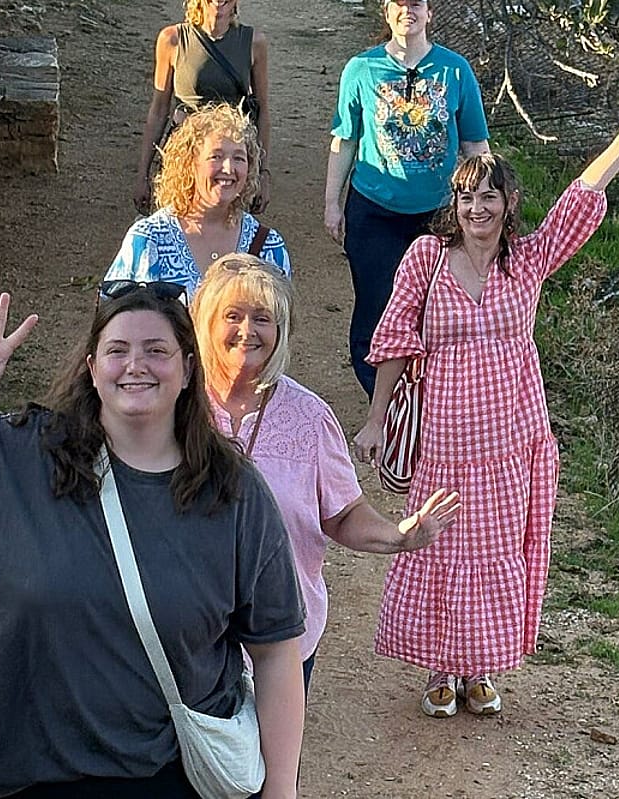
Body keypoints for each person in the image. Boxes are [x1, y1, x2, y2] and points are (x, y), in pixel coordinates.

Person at [0, 288, 305, 797]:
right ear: (93, 369)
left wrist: (281, 790)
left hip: (163, 776)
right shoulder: (21, 453)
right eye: (118, 351)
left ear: (186, 369)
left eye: (156, 350)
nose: (135, 364)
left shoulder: (233, 493)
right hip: (15, 772)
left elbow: (275, 653)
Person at [353, 101, 619, 717]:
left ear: (507, 205)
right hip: (444, 437)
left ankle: (478, 669)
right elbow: (395, 337)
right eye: (468, 198)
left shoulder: (527, 259)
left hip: (512, 436)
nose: (478, 209)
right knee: (440, 544)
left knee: (497, 547)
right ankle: (439, 669)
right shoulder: (425, 257)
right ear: (455, 205)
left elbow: (582, 196)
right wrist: (374, 418)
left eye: (490, 198)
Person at [190, 253, 461, 699]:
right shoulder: (176, 409)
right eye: (232, 315)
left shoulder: (309, 417)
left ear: (281, 332)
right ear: (205, 323)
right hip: (187, 635)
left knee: (273, 768)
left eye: (263, 318)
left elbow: (342, 514)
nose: (247, 331)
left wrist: (400, 536)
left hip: (279, 637)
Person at [324, 0, 490, 398]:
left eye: (416, 4)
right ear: (386, 12)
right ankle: (383, 400)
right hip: (373, 211)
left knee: (434, 310)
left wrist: (489, 204)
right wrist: (332, 202)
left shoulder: (455, 70)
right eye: (399, 4)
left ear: (429, 13)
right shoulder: (361, 69)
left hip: (436, 216)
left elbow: (475, 145)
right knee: (377, 305)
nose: (407, 11)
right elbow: (345, 139)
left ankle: (428, 395)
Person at [110, 103, 290, 300]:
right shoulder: (148, 240)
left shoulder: (269, 247)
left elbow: (281, 325)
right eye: (216, 156)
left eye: (239, 158)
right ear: (189, 164)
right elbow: (113, 318)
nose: (229, 169)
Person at [134, 0, 272, 214]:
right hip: (184, 156)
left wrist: (262, 173)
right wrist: (143, 175)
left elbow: (262, 113)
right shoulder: (172, 40)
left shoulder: (253, 42)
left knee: (226, 226)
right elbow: (159, 110)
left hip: (229, 160)